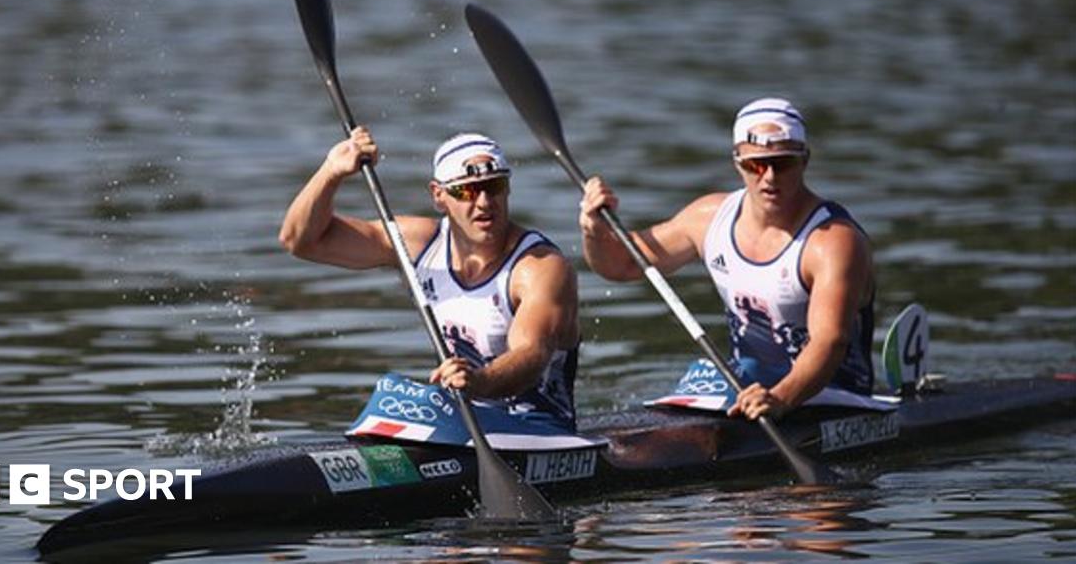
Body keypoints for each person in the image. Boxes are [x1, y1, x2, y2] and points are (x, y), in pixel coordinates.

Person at [578, 97, 874, 422]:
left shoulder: (833, 241)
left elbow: (830, 341)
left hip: (829, 390)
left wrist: (780, 398)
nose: (770, 178)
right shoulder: (708, 218)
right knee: (703, 375)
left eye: (783, 163)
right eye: (756, 165)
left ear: (804, 160)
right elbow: (619, 265)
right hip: (746, 383)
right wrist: (594, 231)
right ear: (737, 162)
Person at [279, 127, 581, 428]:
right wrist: (331, 173)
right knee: (390, 394)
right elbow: (300, 241)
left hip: (538, 426)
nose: (485, 202)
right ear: (439, 195)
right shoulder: (418, 244)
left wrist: (480, 381)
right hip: (463, 419)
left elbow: (532, 354)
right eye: (467, 191)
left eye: (495, 185)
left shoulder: (540, 267)